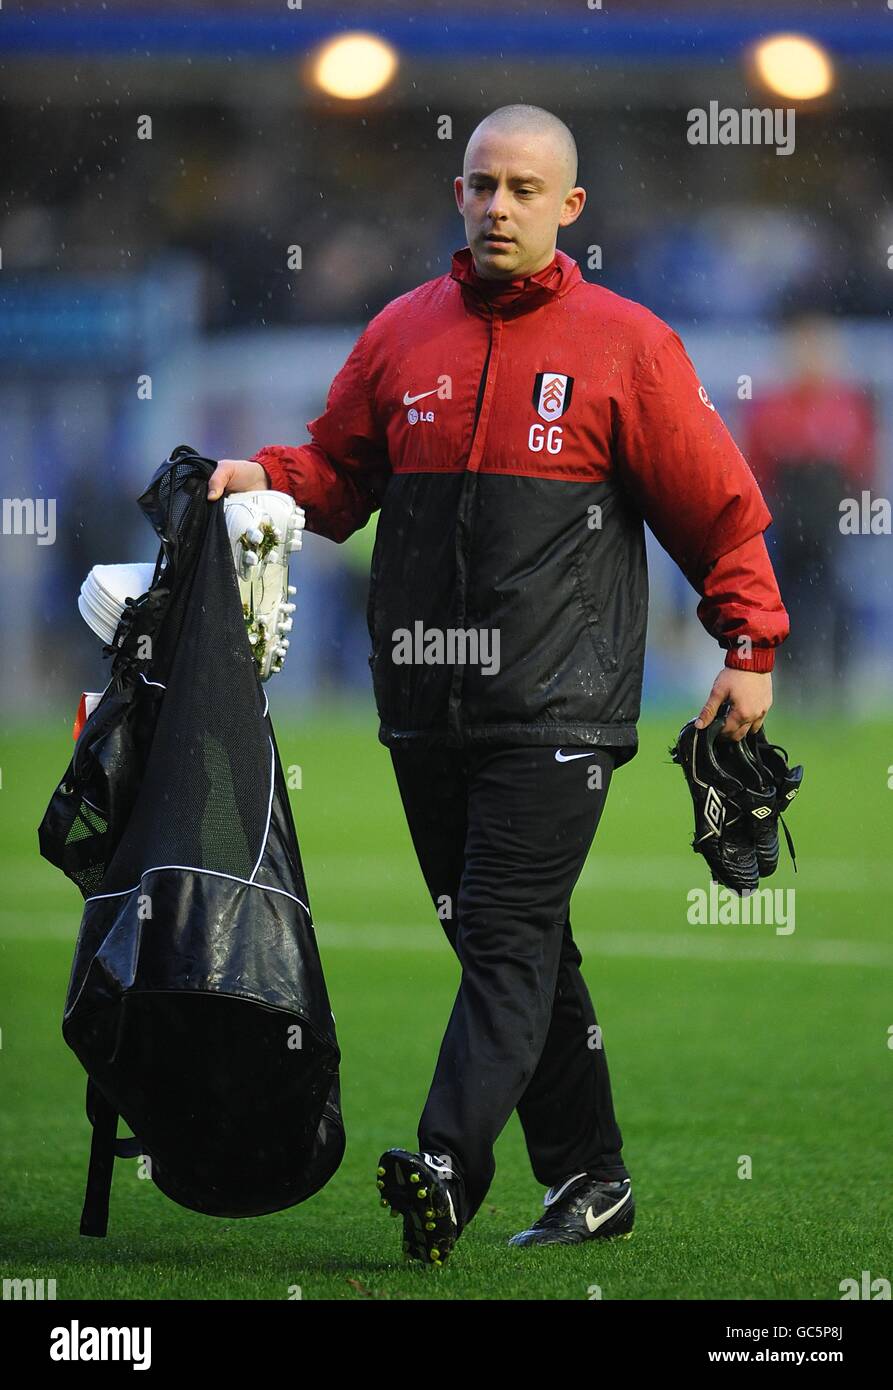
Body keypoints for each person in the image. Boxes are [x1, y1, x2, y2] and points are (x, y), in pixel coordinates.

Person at [207, 104, 789, 1266]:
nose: (497, 207)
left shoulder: (627, 344)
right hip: (424, 704)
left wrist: (749, 645)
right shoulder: (397, 334)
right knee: (513, 947)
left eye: (524, 189)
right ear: (455, 193)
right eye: (480, 185)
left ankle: (443, 1165)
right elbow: (336, 474)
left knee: (505, 936)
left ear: (569, 207)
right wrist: (255, 476)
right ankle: (591, 1173)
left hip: (559, 705)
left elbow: (712, 503)